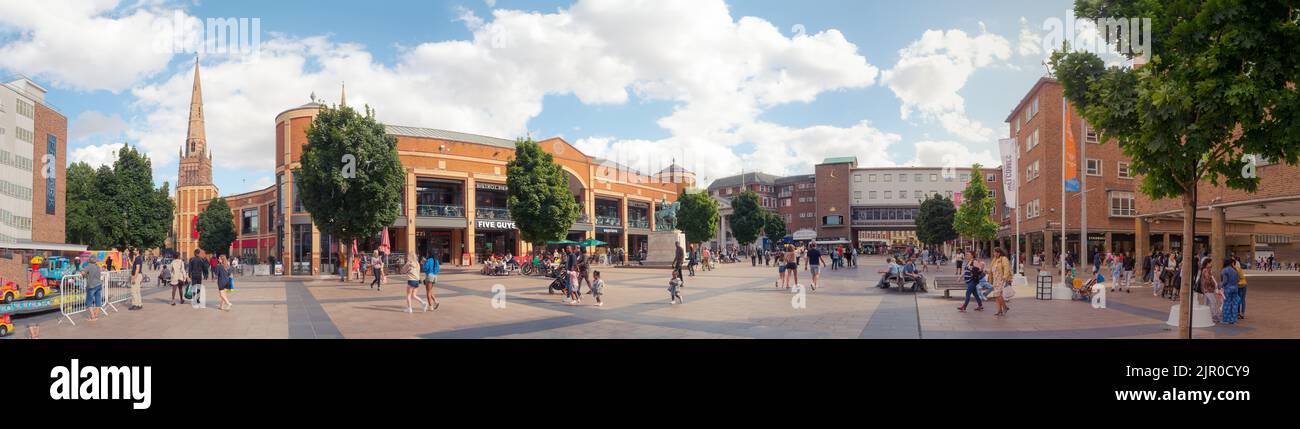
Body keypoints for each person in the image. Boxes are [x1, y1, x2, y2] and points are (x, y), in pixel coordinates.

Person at [80, 254, 105, 321]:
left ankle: (92, 316)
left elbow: (82, 273)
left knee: (89, 302)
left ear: (89, 260)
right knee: (98, 300)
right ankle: (96, 315)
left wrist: (83, 274)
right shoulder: (98, 267)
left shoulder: (88, 266)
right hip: (99, 285)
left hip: (91, 286)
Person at [988, 248, 1012, 316]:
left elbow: (1007, 268)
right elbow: (991, 269)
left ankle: (1005, 307)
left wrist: (1005, 276)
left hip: (1001, 279)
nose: (995, 254)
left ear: (999, 253)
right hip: (995, 279)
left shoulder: (1004, 258)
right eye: (994, 252)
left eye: (996, 252)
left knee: (997, 294)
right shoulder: (994, 260)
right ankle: (999, 310)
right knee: (997, 295)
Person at [1220, 258, 1242, 325]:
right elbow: (1238, 280)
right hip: (1235, 288)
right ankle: (1234, 319)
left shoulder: (1224, 270)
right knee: (1235, 304)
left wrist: (1219, 285)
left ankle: (1226, 320)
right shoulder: (1235, 270)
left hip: (1228, 289)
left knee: (1227, 303)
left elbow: (1225, 281)